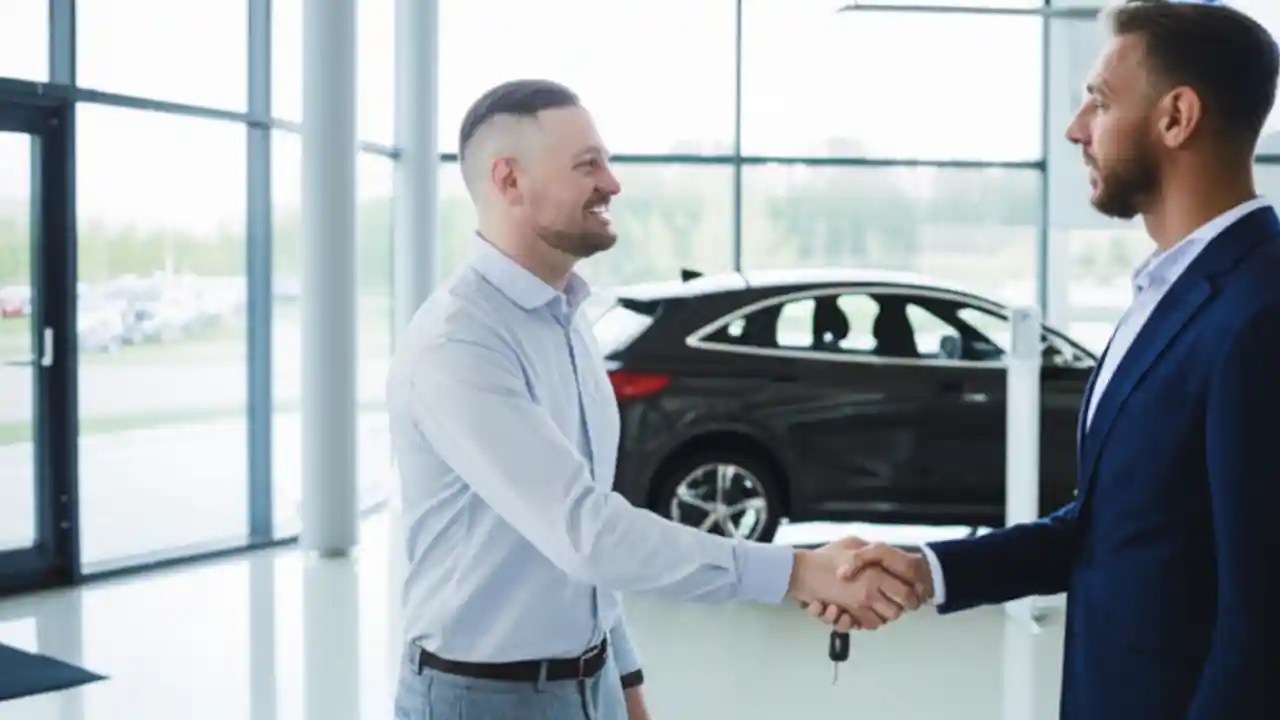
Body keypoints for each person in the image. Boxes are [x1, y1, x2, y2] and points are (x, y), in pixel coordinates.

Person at [386, 79, 922, 720]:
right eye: (588, 165)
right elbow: (586, 532)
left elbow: (589, 544)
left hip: (591, 683)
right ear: (509, 180)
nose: (611, 184)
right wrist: (795, 571)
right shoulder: (462, 341)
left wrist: (625, 681)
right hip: (481, 699)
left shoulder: (564, 319)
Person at [808, 2, 1280, 718]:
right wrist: (928, 570)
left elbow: (1261, 621)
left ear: (1177, 117)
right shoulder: (1169, 291)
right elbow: (1107, 528)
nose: (1076, 129)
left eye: (1099, 100)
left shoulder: (1259, 312)